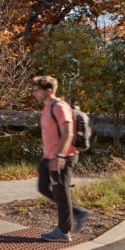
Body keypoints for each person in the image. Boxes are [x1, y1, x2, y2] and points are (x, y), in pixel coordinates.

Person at [32, 75, 89, 242]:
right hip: (49, 156)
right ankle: (77, 212)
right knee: (43, 187)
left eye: (37, 90)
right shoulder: (46, 107)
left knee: (61, 192)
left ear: (48, 90)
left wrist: (60, 156)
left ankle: (63, 232)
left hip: (63, 156)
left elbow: (68, 133)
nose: (34, 93)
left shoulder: (59, 107)